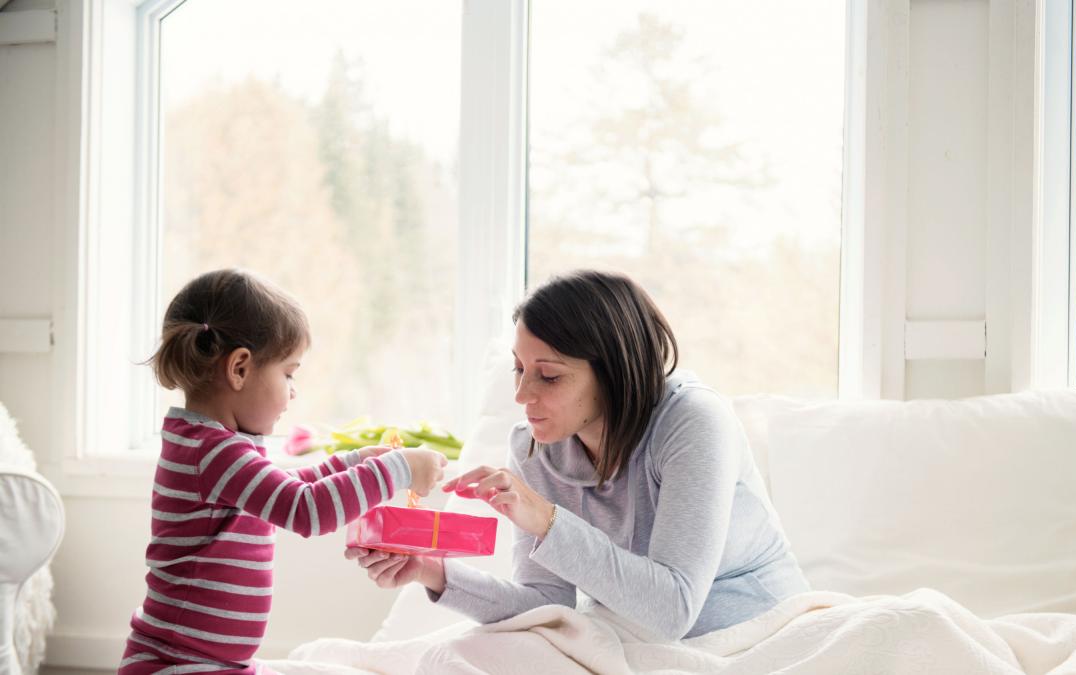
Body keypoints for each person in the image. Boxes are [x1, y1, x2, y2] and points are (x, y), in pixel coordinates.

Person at [347, 269, 809, 640]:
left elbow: (673, 610)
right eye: (519, 368)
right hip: (630, 640)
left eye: (548, 376)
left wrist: (545, 519)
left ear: (614, 372)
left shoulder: (694, 422)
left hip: (754, 637)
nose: (523, 395)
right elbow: (547, 603)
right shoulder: (536, 444)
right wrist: (432, 572)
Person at [118, 268, 447, 674]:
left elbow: (281, 490)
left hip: (211, 662)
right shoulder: (212, 451)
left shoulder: (211, 445)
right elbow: (305, 510)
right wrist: (396, 469)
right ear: (239, 368)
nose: (294, 390)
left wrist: (351, 462)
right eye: (288, 373)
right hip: (181, 665)